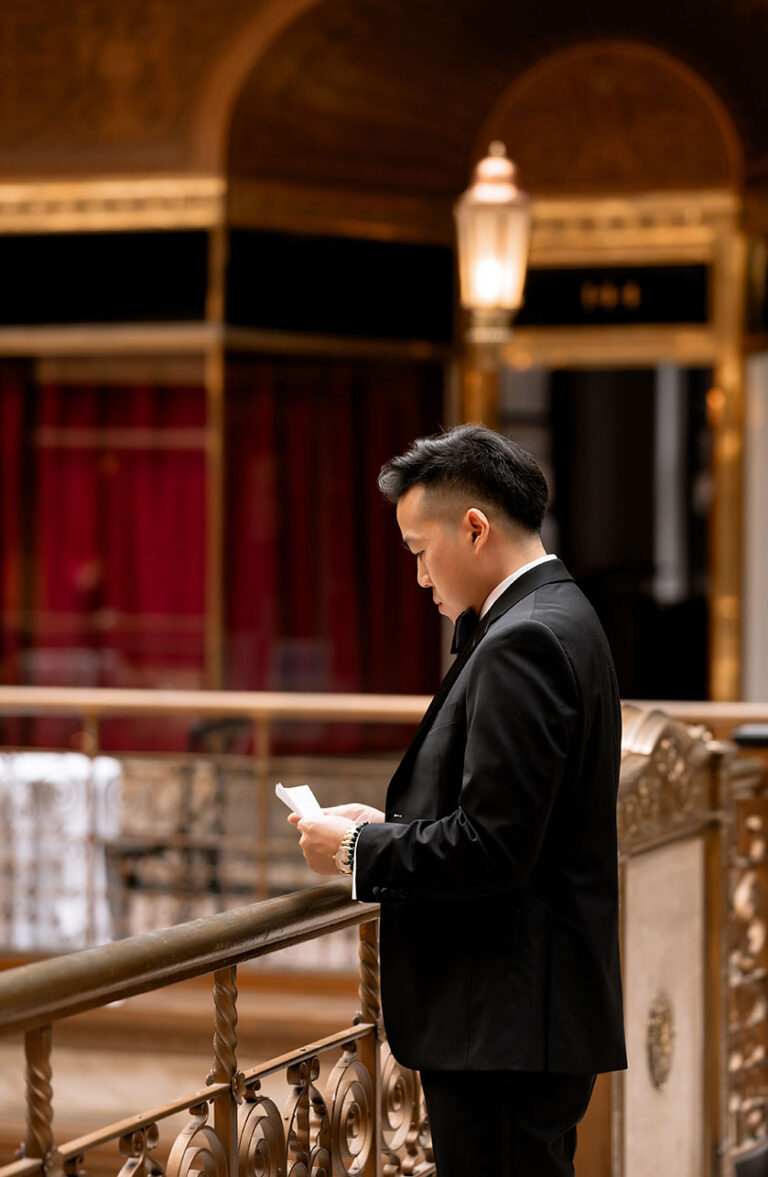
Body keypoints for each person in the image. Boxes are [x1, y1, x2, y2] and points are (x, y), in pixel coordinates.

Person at [290, 423, 626, 1177]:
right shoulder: (561, 612)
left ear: (474, 527)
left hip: (503, 1022)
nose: (417, 577)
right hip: (525, 1015)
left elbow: (494, 846)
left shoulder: (524, 639)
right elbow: (514, 810)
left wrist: (353, 850)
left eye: (418, 550)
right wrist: (394, 825)